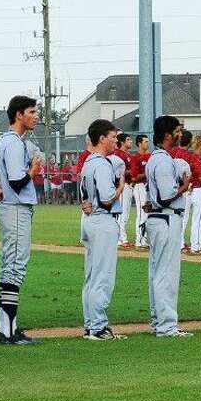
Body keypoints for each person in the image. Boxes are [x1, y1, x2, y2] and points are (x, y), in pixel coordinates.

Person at [0, 95, 43, 345]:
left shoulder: (7, 140)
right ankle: (9, 330)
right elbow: (16, 181)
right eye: (31, 111)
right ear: (19, 114)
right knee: (15, 267)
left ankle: (4, 327)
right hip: (15, 209)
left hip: (11, 207)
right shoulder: (13, 143)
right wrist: (32, 170)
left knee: (8, 266)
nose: (36, 116)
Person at [78, 119, 128, 341]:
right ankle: (98, 327)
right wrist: (120, 187)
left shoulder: (88, 162)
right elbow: (107, 198)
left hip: (90, 219)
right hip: (102, 220)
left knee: (92, 276)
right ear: (101, 138)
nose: (116, 141)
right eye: (113, 137)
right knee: (103, 276)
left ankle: (91, 325)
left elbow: (84, 197)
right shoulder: (103, 164)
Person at [146, 115, 193, 336]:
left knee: (158, 272)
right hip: (166, 218)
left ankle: (159, 322)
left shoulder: (156, 158)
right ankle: (166, 326)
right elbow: (166, 197)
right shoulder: (164, 160)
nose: (180, 134)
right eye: (177, 131)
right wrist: (184, 186)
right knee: (166, 274)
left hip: (159, 218)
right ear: (167, 135)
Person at [129, 135, 151, 248]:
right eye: (145, 141)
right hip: (139, 186)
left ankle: (145, 239)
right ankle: (139, 240)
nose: (147, 143)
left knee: (148, 213)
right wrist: (147, 173)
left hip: (149, 186)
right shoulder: (136, 158)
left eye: (148, 141)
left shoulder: (150, 156)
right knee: (142, 213)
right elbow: (134, 177)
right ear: (139, 144)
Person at [114, 134, 135, 247]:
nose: (130, 141)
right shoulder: (118, 153)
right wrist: (131, 172)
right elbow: (118, 172)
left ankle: (123, 238)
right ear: (122, 142)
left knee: (125, 213)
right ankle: (120, 239)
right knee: (121, 213)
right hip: (123, 185)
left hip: (129, 185)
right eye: (128, 139)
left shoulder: (128, 155)